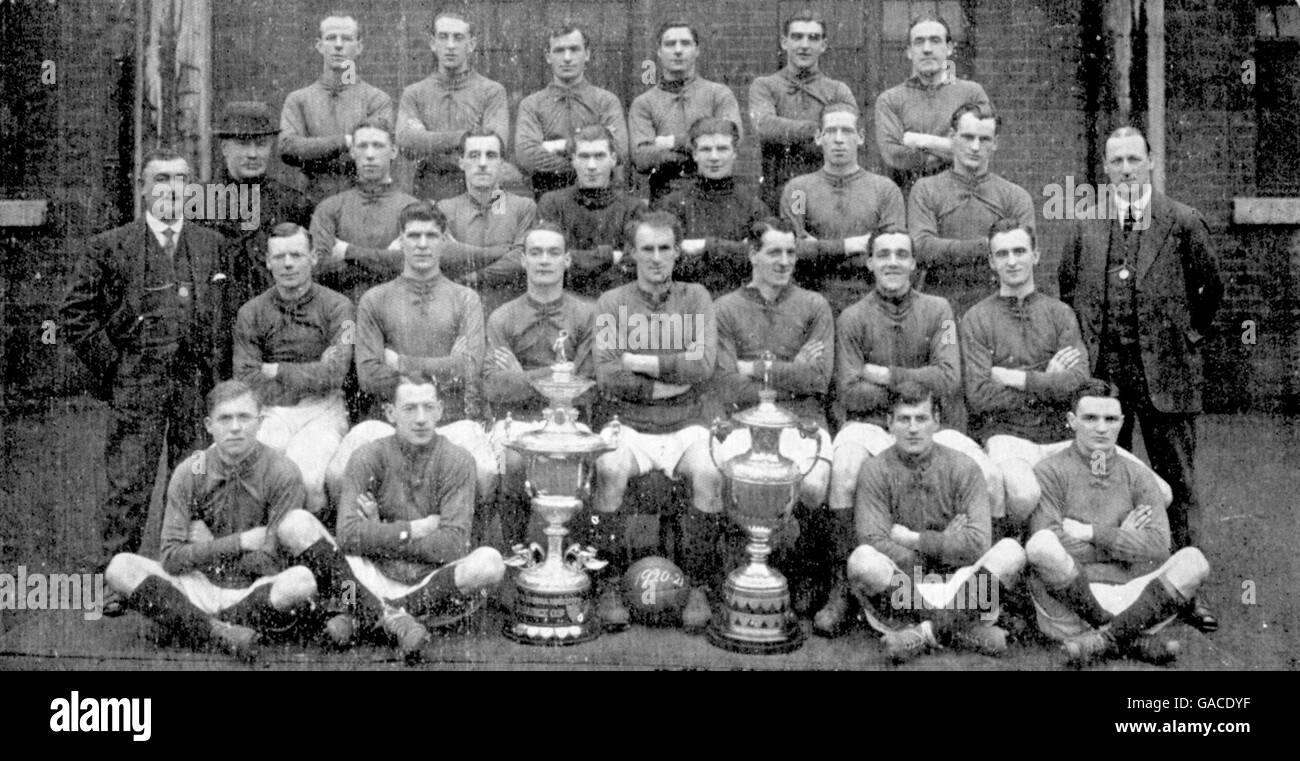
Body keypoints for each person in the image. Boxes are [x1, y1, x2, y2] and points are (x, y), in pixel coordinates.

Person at [1057, 126, 1223, 632]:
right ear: (1106, 168)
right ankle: (1114, 578)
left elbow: (1210, 291)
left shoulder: (1182, 221)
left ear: (1150, 162)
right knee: (1105, 475)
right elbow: (1069, 288)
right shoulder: (1086, 226)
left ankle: (1187, 588)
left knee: (1177, 481)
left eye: (1134, 159)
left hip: (1166, 374)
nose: (1126, 169)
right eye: (1116, 161)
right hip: (1107, 378)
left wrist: (1184, 339)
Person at [61, 147, 229, 604]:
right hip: (138, 384)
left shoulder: (212, 245)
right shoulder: (110, 246)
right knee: (128, 483)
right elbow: (75, 315)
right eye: (161, 180)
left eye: (180, 180)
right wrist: (115, 368)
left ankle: (189, 578)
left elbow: (228, 316)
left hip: (194, 386)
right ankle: (114, 582)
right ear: (142, 188)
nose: (171, 189)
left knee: (195, 479)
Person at [102, 381, 369, 661]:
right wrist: (241, 542)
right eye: (225, 419)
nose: (235, 427)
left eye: (244, 417)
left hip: (252, 589)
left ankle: (193, 623)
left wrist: (208, 547)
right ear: (209, 425)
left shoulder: (282, 472)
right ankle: (217, 630)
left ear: (260, 422)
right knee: (120, 567)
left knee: (301, 582)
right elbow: (170, 558)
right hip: (199, 585)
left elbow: (272, 562)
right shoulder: (190, 471)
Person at [817, 229, 999, 636]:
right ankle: (842, 586)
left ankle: (994, 592)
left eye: (902, 254)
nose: (893, 262)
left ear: (915, 263)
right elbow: (850, 391)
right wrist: (915, 383)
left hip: (929, 421)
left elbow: (948, 378)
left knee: (989, 475)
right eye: (883, 254)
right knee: (844, 470)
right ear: (869, 262)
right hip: (871, 423)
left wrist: (885, 375)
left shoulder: (939, 309)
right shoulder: (852, 317)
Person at [591, 211, 722, 632]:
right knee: (609, 469)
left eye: (665, 248)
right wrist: (667, 382)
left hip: (685, 424)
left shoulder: (696, 297)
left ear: (677, 252)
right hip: (628, 423)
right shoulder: (612, 302)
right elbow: (608, 374)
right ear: (631, 253)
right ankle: (611, 583)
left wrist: (640, 361)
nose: (656, 257)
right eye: (646, 248)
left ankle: (697, 584)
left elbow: (702, 366)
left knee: (709, 473)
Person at [1025, 381, 1212, 665]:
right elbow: (1046, 540)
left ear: (1122, 423)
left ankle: (1104, 640)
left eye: (1110, 419)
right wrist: (1121, 542)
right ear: (1071, 421)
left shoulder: (1138, 475)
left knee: (1194, 561)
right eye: (1090, 418)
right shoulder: (1049, 471)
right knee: (1041, 545)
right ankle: (1127, 637)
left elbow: (1159, 546)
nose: (1101, 428)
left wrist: (1093, 533)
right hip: (1069, 601)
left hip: (1132, 599)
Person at [328, 202, 497, 507]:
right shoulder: (374, 300)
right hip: (388, 421)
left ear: (444, 241)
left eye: (431, 236)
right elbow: (369, 376)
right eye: (414, 235)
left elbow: (470, 368)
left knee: (485, 474)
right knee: (338, 474)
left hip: (449, 421)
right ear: (400, 241)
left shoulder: (465, 299)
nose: (422, 244)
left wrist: (401, 363)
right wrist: (446, 366)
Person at [846, 382, 1026, 663]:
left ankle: (924, 633)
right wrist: (945, 543)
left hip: (960, 586)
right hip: (904, 587)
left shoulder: (963, 467)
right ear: (889, 423)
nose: (913, 428)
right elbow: (872, 540)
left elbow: (978, 544)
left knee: (1011, 551)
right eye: (904, 419)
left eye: (921, 418)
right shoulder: (875, 469)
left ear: (937, 421)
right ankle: (958, 629)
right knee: (862, 560)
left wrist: (914, 540)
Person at [336, 373, 507, 661]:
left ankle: (365, 615)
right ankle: (383, 615)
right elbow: (347, 536)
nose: (421, 419)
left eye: (428, 407)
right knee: (328, 551)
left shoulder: (458, 460)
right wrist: (412, 529)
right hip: (374, 575)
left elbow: (453, 545)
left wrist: (378, 531)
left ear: (440, 410)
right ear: (390, 413)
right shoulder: (366, 456)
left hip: (430, 584)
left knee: (490, 563)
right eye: (409, 408)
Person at [711, 218, 833, 610]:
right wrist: (790, 369)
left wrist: (753, 368)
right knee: (729, 478)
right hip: (744, 420)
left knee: (812, 484)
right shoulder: (725, 308)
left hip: (801, 419)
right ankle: (735, 574)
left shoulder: (814, 305)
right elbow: (727, 385)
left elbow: (817, 379)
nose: (784, 261)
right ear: (752, 254)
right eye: (774, 252)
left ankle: (803, 574)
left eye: (791, 253)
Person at [959, 219, 1088, 529]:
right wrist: (1048, 378)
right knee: (1023, 493)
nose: (1012, 261)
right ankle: (1012, 546)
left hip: (1060, 433)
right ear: (992, 261)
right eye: (1002, 254)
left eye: (1019, 251)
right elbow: (979, 396)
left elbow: (1077, 380)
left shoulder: (1060, 313)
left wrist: (1016, 378)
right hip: (1006, 435)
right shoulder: (976, 318)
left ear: (1036, 255)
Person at [484, 223, 596, 547]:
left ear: (567, 260)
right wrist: (559, 373)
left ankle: (572, 557)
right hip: (514, 420)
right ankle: (516, 553)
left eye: (553, 252)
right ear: (523, 260)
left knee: (575, 461)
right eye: (535, 253)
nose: (544, 260)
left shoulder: (587, 315)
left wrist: (521, 376)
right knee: (513, 461)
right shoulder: (502, 317)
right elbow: (494, 388)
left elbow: (587, 384)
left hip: (569, 420)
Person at [232, 223, 353, 516]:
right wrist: (311, 374)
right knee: (252, 474)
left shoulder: (340, 307)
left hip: (323, 410)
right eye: (279, 256)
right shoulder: (251, 312)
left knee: (308, 480)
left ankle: (314, 542)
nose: (287, 264)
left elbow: (336, 372)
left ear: (313, 257)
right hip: (273, 410)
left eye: (296, 255)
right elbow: (246, 378)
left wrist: (275, 370)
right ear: (267, 261)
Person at [908, 103, 1034, 317]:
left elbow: (1023, 256)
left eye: (984, 139)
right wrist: (988, 246)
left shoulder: (1015, 197)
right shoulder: (926, 190)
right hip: (941, 308)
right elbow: (922, 248)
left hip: (997, 310)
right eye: (968, 137)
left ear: (995, 143)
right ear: (952, 137)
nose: (975, 147)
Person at [780, 104, 905, 314]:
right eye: (831, 131)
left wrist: (819, 248)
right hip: (813, 300)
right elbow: (795, 249)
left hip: (871, 302)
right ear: (818, 137)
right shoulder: (799, 191)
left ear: (860, 137)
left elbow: (890, 251)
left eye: (847, 131)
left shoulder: (884, 190)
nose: (839, 139)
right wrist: (850, 245)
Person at [210, 101, 315, 318]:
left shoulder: (293, 204)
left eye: (261, 144)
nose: (253, 154)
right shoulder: (200, 203)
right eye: (243, 144)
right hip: (217, 318)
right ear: (224, 147)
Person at [397, 11, 516, 201]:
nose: (450, 45)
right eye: (443, 37)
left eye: (458, 37)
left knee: (495, 215)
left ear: (471, 44)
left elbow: (495, 144)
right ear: (433, 43)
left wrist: (429, 139)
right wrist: (463, 136)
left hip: (480, 190)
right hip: (430, 186)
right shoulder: (414, 93)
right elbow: (407, 142)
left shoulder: (492, 92)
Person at [748, 9, 857, 212]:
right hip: (778, 186)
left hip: (829, 188)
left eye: (813, 38)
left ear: (823, 45)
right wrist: (817, 129)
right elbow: (765, 126)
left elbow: (847, 135)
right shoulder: (765, 86)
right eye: (797, 37)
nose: (805, 45)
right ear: (784, 42)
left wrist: (790, 131)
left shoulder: (838, 90)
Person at [279, 13, 393, 201]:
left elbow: (376, 150)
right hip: (312, 199)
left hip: (361, 199)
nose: (338, 45)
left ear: (359, 47)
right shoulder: (299, 100)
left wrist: (315, 149)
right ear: (319, 45)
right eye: (331, 38)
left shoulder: (376, 100)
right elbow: (288, 147)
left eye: (346, 38)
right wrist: (345, 141)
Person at [874, 13, 990, 197]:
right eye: (919, 42)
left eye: (935, 41)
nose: (927, 49)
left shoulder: (971, 94)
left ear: (949, 48)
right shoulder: (890, 100)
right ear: (909, 51)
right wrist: (952, 148)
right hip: (909, 197)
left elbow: (981, 148)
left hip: (963, 196)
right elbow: (895, 156)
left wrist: (921, 141)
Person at [654, 117, 770, 296]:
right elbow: (665, 260)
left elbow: (764, 259)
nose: (714, 157)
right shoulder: (672, 205)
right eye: (706, 149)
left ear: (734, 153)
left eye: (722, 149)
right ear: (695, 154)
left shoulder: (753, 207)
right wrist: (736, 250)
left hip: (738, 300)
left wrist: (704, 247)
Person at [629, 21, 743, 203]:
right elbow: (641, 158)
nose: (678, 50)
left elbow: (733, 138)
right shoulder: (644, 103)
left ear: (697, 50)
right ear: (659, 51)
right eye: (670, 44)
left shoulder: (718, 94)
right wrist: (696, 151)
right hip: (664, 197)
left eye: (685, 43)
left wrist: (670, 142)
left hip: (715, 195)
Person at [309, 117, 418, 302]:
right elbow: (317, 268)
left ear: (393, 151)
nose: (370, 155)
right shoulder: (330, 208)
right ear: (352, 151)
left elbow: (416, 265)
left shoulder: (412, 209)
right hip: (343, 307)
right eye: (362, 146)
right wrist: (386, 259)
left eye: (378, 146)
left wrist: (347, 252)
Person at [515, 22, 630, 198]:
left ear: (587, 54)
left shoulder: (606, 101)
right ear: (548, 56)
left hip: (599, 199)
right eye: (559, 51)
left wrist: (557, 146)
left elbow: (620, 151)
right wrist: (589, 161)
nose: (567, 58)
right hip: (548, 197)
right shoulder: (532, 105)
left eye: (574, 49)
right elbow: (526, 157)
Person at [435, 128, 539, 317]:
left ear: (502, 163)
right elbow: (446, 254)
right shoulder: (446, 209)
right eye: (474, 155)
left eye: (490, 156)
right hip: (459, 311)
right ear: (461, 162)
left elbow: (521, 259)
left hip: (510, 312)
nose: (482, 164)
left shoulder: (523, 207)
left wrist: (476, 275)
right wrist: (503, 251)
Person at [536, 124, 647, 299]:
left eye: (599, 156)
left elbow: (634, 263)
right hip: (565, 301)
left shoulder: (633, 208)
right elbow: (550, 259)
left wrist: (577, 259)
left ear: (613, 159)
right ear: (573, 160)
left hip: (617, 302)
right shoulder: (552, 203)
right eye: (584, 156)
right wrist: (610, 256)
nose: (592, 165)